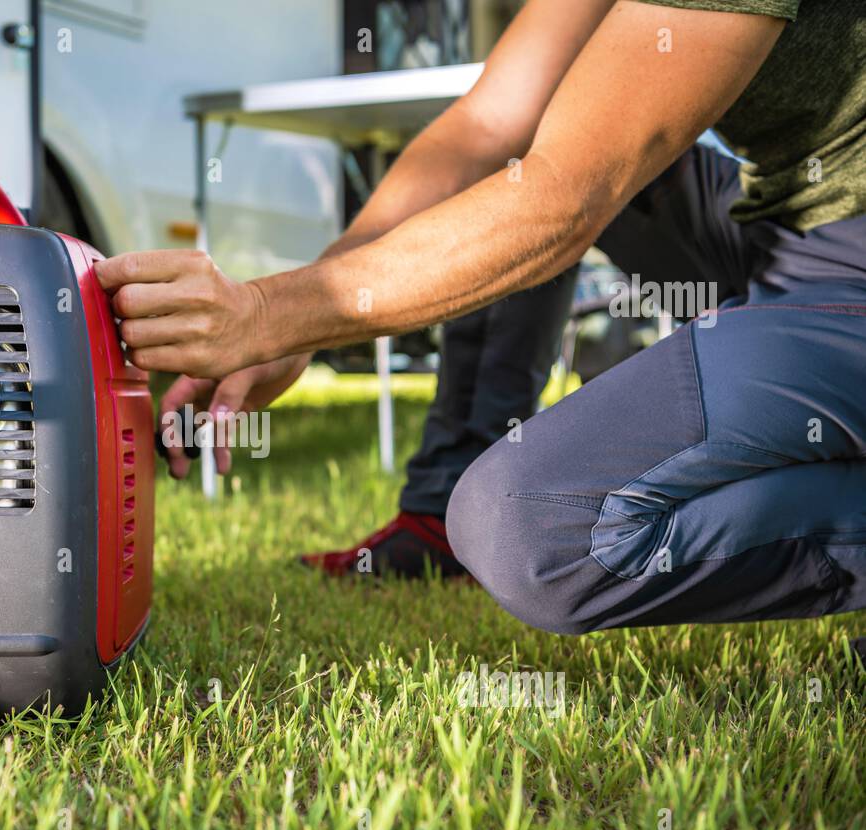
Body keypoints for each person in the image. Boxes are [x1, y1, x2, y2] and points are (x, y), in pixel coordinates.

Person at [94, 0, 866, 634]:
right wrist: (298, 315)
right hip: (779, 227)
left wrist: (270, 314)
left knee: (532, 531)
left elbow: (563, 198)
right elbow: (489, 126)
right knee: (550, 127)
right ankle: (434, 521)